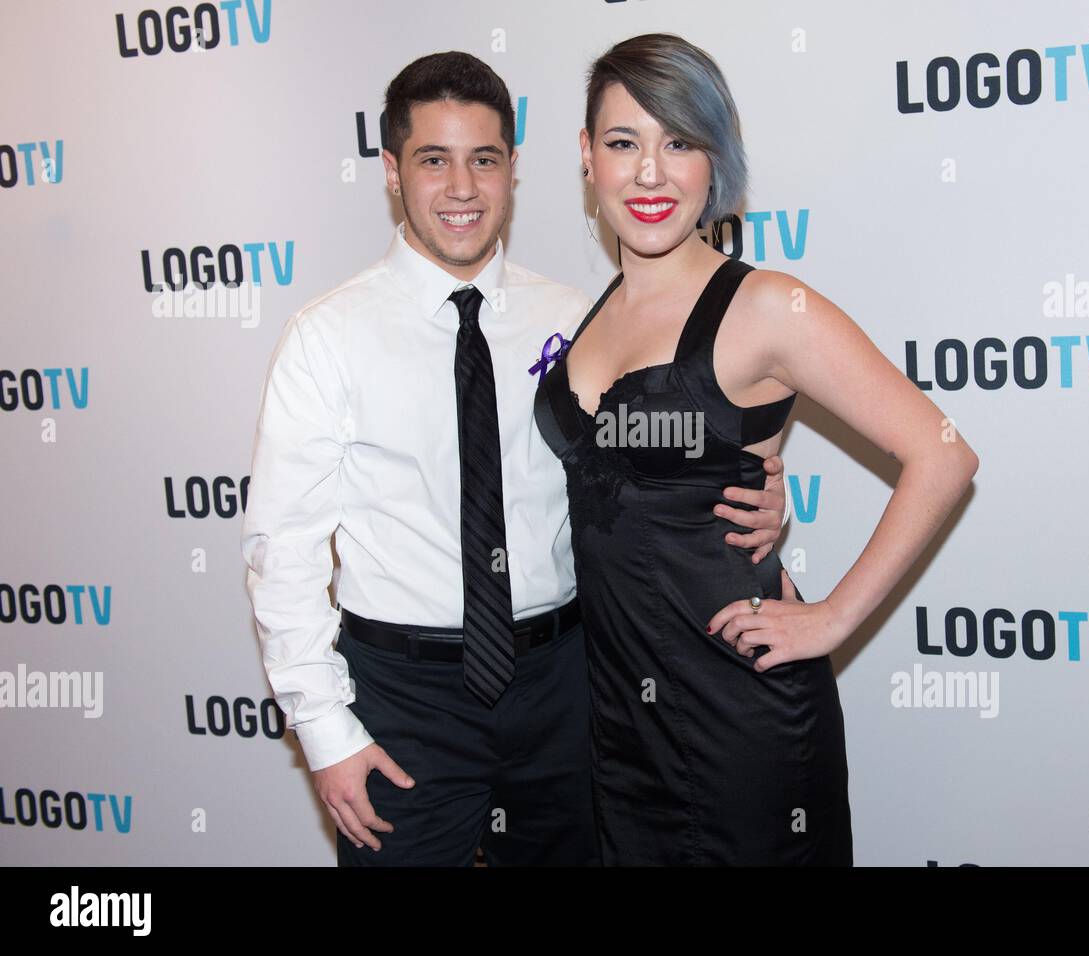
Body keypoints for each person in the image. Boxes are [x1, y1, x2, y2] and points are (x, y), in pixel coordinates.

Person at [239, 51, 789, 867]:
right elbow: (280, 552)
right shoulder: (327, 338)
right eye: (434, 159)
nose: (462, 188)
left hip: (569, 683)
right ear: (391, 171)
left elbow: (643, 473)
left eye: (483, 159)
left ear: (515, 169)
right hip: (402, 698)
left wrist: (752, 484)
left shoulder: (579, 320)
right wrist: (325, 734)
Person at [534, 33, 980, 865]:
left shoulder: (767, 305)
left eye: (680, 142)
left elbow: (943, 454)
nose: (651, 173)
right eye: (625, 142)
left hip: (736, 714)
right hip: (618, 719)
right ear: (587, 157)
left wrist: (835, 618)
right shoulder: (591, 313)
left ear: (716, 161)